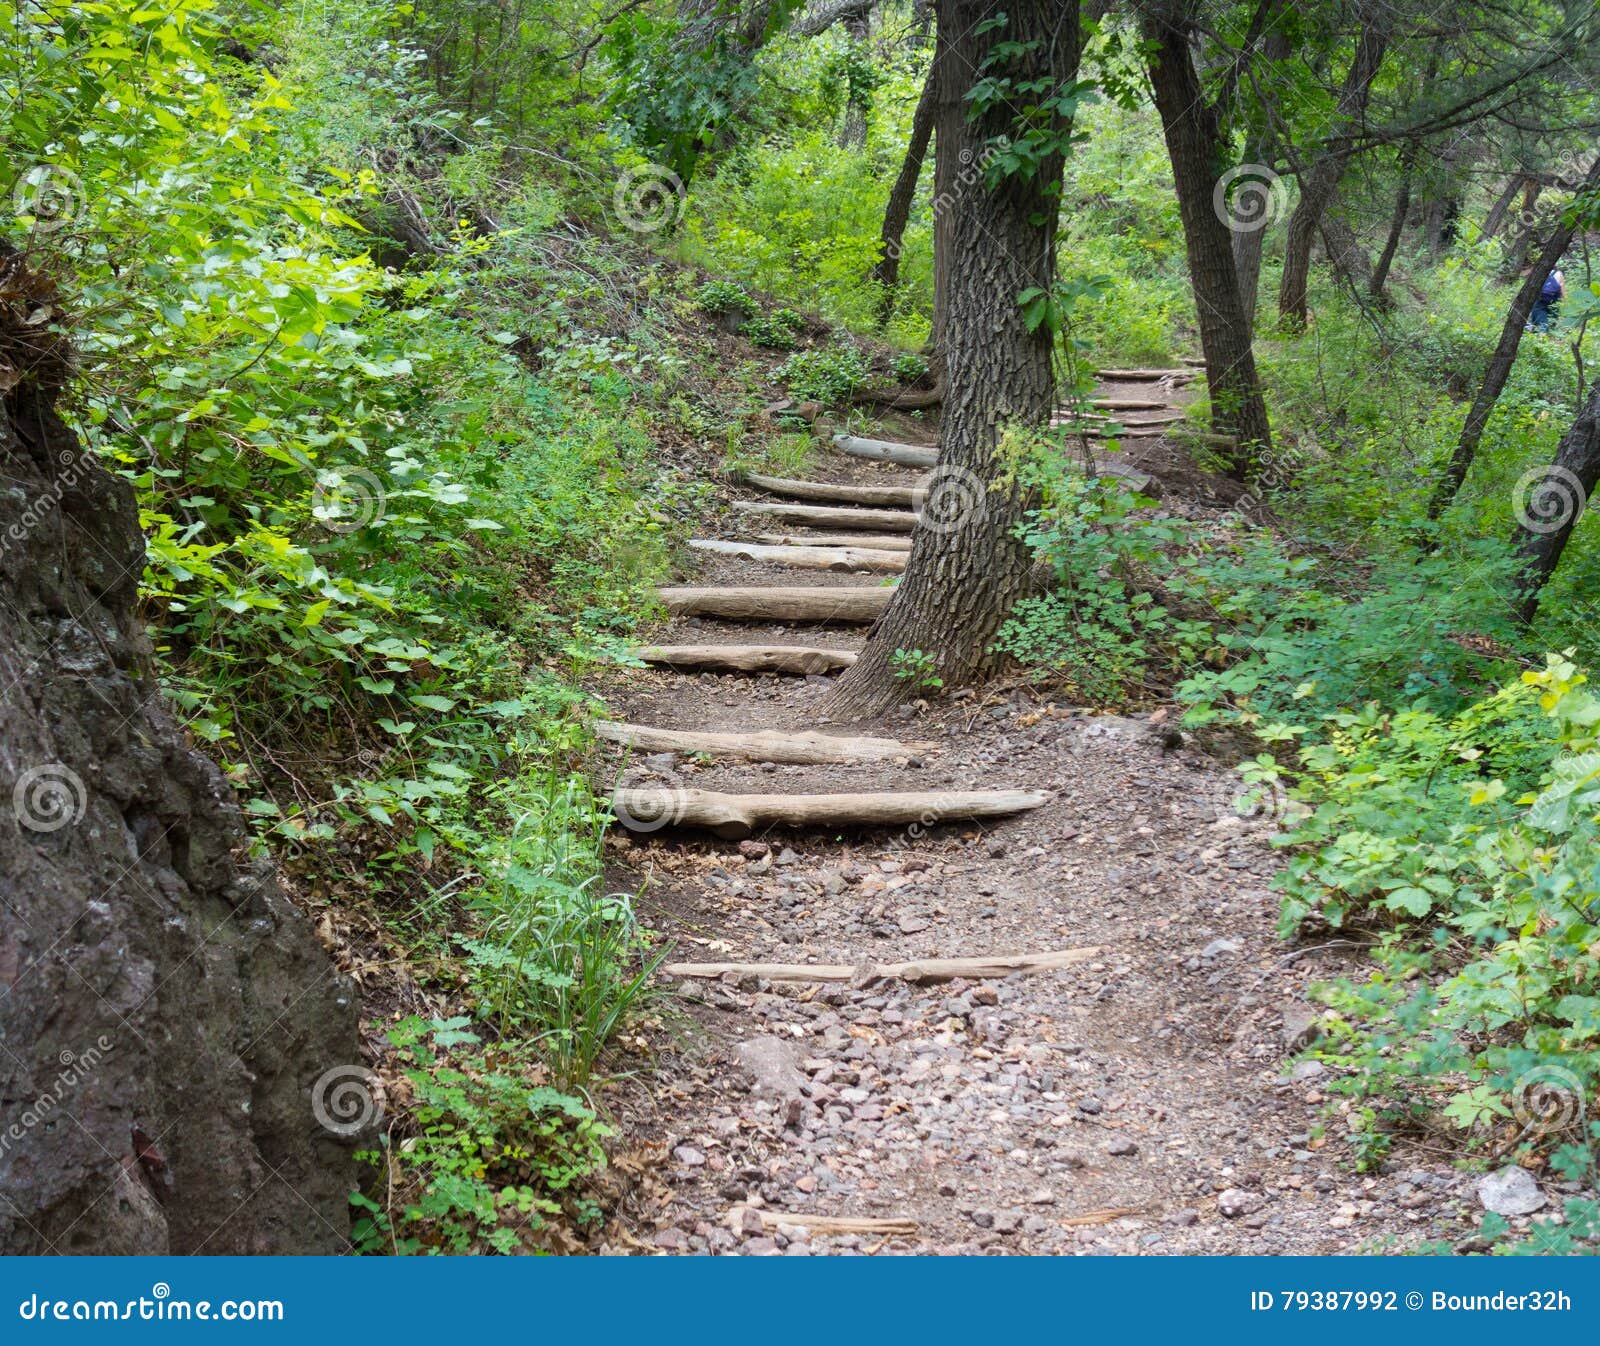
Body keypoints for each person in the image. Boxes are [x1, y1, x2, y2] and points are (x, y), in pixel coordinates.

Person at [1530, 266, 1565, 332]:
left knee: (1540, 318)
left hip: (1540, 300)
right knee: (1553, 318)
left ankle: (1541, 334)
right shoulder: (1559, 273)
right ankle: (1550, 333)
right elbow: (1562, 291)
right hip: (1554, 300)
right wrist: (1564, 301)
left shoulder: (1539, 272)